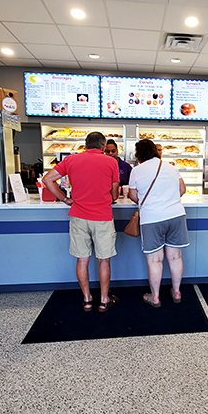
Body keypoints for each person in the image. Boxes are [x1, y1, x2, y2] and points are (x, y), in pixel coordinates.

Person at [42, 131, 120, 312]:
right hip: (102, 217)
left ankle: (86, 300)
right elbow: (115, 194)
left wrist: (64, 199)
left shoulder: (71, 160)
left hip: (78, 216)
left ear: (85, 145)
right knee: (104, 260)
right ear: (103, 147)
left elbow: (47, 179)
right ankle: (103, 300)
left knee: (82, 259)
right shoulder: (111, 162)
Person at [128, 139, 188, 308]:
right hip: (176, 215)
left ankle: (155, 297)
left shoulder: (137, 171)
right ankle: (176, 292)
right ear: (155, 151)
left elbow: (133, 196)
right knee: (175, 257)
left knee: (155, 261)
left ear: (138, 155)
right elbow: (182, 190)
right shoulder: (171, 167)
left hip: (152, 218)